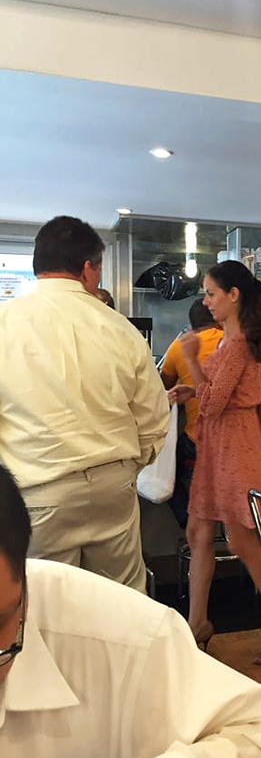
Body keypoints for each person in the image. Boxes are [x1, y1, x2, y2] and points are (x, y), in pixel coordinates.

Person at [0, 464, 261, 758]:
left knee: (223, 539)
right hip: (146, 470)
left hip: (87, 481)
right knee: (201, 536)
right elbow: (152, 422)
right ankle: (205, 622)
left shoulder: (118, 634)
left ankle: (246, 623)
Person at [0, 216, 169, 594]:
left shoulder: (4, 323)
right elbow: (154, 417)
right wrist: (127, 467)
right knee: (121, 604)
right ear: (88, 268)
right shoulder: (120, 328)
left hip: (37, 489)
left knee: (45, 609)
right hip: (112, 485)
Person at [168, 261, 261, 661]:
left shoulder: (235, 343)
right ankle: (198, 621)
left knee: (241, 539)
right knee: (198, 532)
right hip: (220, 444)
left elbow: (215, 403)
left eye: (212, 292)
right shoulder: (232, 339)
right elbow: (216, 395)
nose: (206, 300)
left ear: (234, 295)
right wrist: (191, 389)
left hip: (234, 447)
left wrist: (192, 361)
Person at [161, 299, 223, 529]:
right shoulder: (230, 344)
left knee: (163, 471)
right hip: (230, 445)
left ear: (191, 324)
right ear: (218, 319)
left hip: (197, 443)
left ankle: (189, 521)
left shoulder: (180, 346)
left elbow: (163, 387)